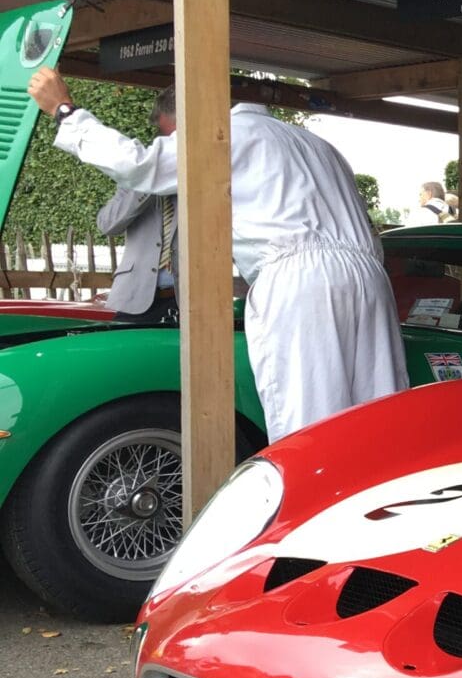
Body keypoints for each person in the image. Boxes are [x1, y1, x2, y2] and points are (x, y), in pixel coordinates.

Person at [29, 67, 407, 444]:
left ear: (194, 114)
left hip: (301, 281)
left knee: (309, 422)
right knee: (376, 417)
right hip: (369, 279)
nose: (173, 142)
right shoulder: (319, 146)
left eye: (171, 135)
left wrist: (66, 112)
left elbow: (138, 166)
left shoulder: (227, 133)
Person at [96, 86, 181, 324]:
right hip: (134, 300)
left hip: (190, 299)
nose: (164, 141)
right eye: (162, 133)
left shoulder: (203, 172)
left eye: (170, 134)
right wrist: (148, 182)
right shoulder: (138, 172)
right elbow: (107, 224)